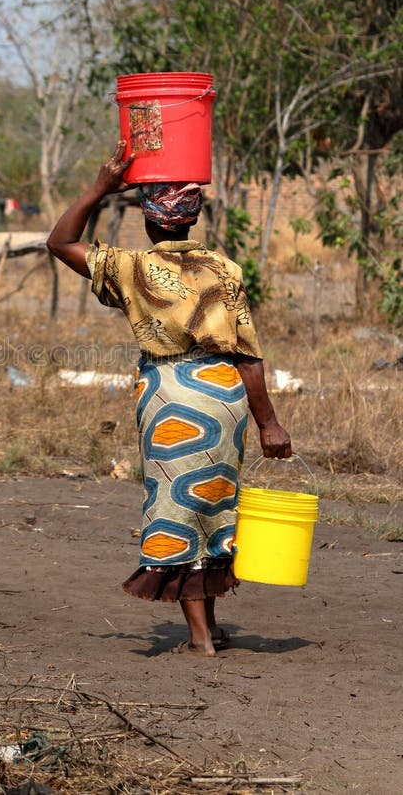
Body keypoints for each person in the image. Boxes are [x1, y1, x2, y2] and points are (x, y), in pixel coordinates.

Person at [47, 141, 292, 656]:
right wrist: (269, 423)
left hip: (170, 396)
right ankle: (211, 626)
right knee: (213, 505)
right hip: (224, 398)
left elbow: (59, 241)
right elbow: (248, 355)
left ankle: (200, 638)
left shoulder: (132, 268)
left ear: (150, 221)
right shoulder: (224, 271)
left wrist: (99, 187)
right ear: (190, 220)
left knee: (177, 509)